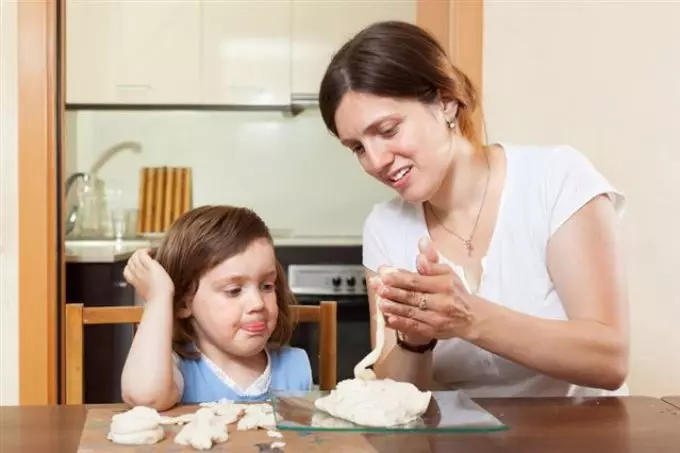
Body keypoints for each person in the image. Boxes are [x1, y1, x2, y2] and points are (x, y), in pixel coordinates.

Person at [318, 20, 629, 397]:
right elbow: (391, 397)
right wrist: (414, 340)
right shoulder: (385, 227)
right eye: (357, 148)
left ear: (445, 101)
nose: (376, 160)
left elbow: (609, 360)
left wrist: (467, 317)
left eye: (387, 130)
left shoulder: (556, 179)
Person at [120, 205, 312, 410]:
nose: (257, 304)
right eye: (234, 290)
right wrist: (159, 297)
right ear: (184, 303)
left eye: (266, 286)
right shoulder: (177, 370)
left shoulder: (295, 367)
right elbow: (146, 397)